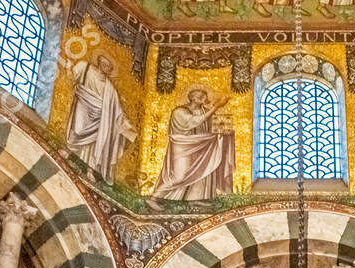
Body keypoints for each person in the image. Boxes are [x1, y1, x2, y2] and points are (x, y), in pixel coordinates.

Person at [152, 89, 237, 202]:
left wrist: (224, 133)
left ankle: (195, 199)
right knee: (179, 175)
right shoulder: (179, 112)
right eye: (201, 96)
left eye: (205, 96)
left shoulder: (205, 111)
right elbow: (194, 122)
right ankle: (155, 197)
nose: (204, 99)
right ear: (192, 98)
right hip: (182, 146)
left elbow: (215, 127)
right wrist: (216, 107)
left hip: (202, 144)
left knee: (202, 170)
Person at [65, 53, 136, 182]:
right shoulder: (85, 67)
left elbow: (116, 111)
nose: (106, 68)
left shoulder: (110, 88)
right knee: (78, 131)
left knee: (97, 143)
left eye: (108, 67)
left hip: (100, 119)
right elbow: (72, 78)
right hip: (83, 105)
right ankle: (69, 153)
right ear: (99, 62)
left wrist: (126, 126)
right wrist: (69, 68)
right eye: (104, 64)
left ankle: (90, 170)